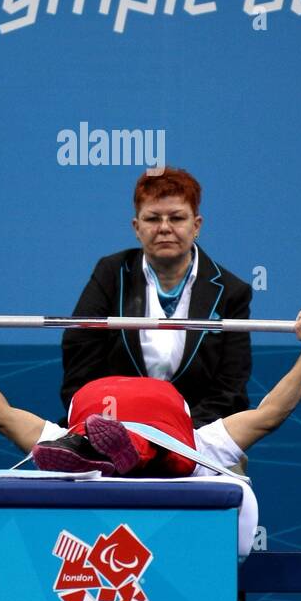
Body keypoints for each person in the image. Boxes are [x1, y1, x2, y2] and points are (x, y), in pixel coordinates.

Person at [0, 304, 301, 570]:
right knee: (181, 460)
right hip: (160, 437)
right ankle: (133, 456)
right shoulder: (203, 440)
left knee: (138, 454)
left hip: (91, 431)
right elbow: (270, 414)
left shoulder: (64, 434)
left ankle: (110, 455)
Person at [61, 168, 251, 429]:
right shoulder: (110, 274)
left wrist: (177, 434)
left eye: (176, 218)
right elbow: (80, 371)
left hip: (201, 437)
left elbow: (230, 391)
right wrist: (116, 430)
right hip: (114, 431)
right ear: (136, 228)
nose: (164, 228)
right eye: (152, 219)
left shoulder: (231, 291)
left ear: (196, 226)